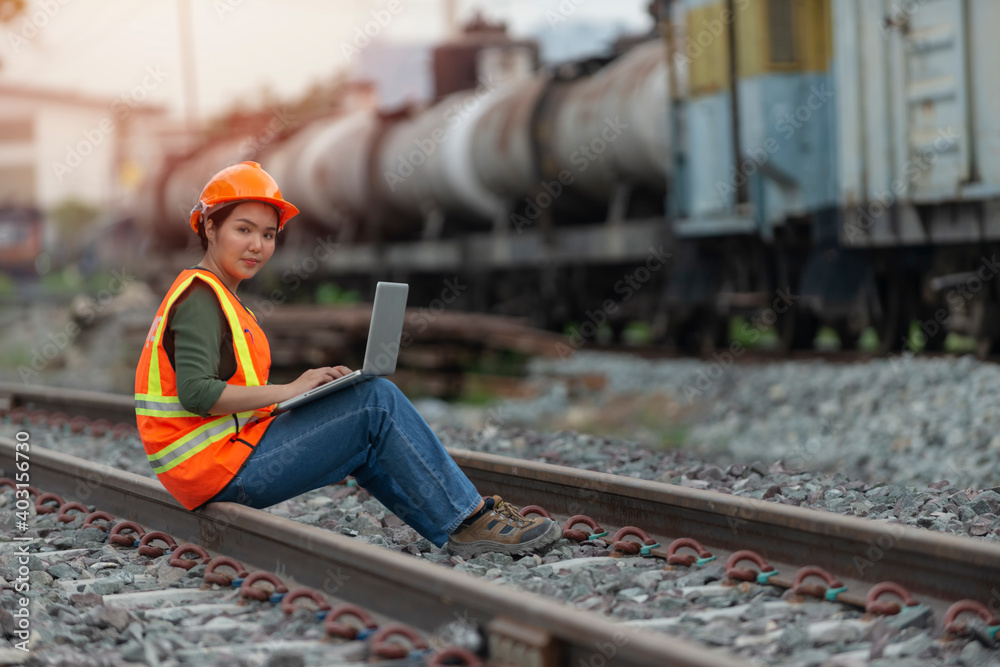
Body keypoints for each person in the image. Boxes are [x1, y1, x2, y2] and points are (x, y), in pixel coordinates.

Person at [134, 161, 560, 556]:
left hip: (221, 463)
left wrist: (304, 393)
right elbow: (196, 393)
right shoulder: (200, 298)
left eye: (268, 234)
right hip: (216, 472)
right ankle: (470, 520)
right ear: (210, 227)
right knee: (376, 401)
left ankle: (459, 531)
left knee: (368, 436)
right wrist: (291, 389)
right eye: (243, 229)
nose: (257, 246)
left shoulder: (218, 297)